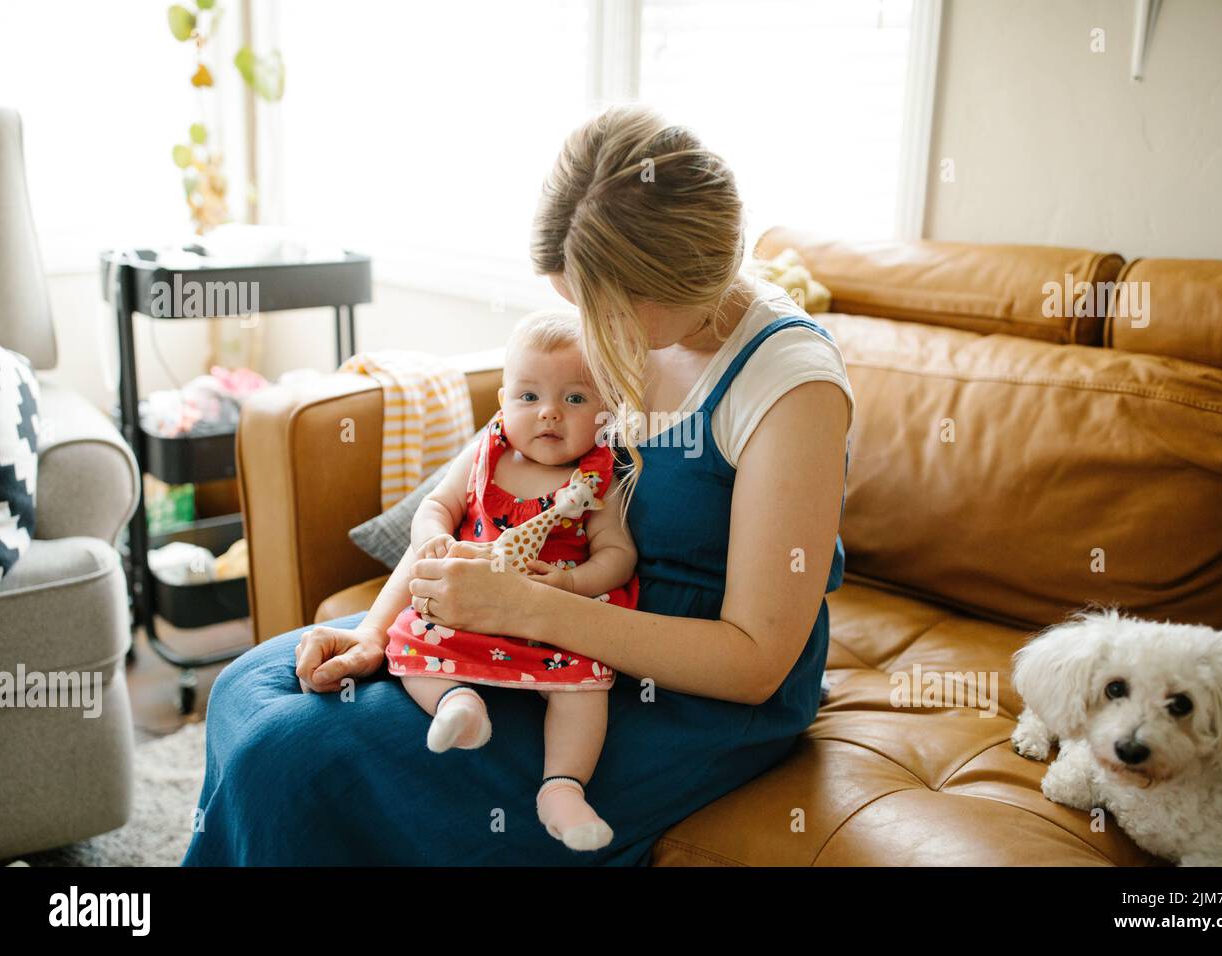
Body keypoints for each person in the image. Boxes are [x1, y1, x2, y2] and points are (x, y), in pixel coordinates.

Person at [182, 102, 855, 866]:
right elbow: (474, 480)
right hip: (545, 619)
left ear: (671, 284)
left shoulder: (790, 385)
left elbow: (755, 661)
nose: (587, 330)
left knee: (293, 760)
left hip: (685, 690)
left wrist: (530, 606)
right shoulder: (624, 324)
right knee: (248, 689)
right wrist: (377, 631)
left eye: (599, 308)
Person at [385, 309, 639, 852]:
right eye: (529, 397)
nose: (549, 412)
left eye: (575, 398)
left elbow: (618, 555)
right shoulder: (484, 455)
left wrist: (569, 585)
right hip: (467, 605)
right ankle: (459, 705)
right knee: (406, 639)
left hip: (551, 620)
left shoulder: (595, 480)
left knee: (587, 687)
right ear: (502, 403)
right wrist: (432, 537)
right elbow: (437, 504)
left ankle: (562, 789)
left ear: (606, 412)